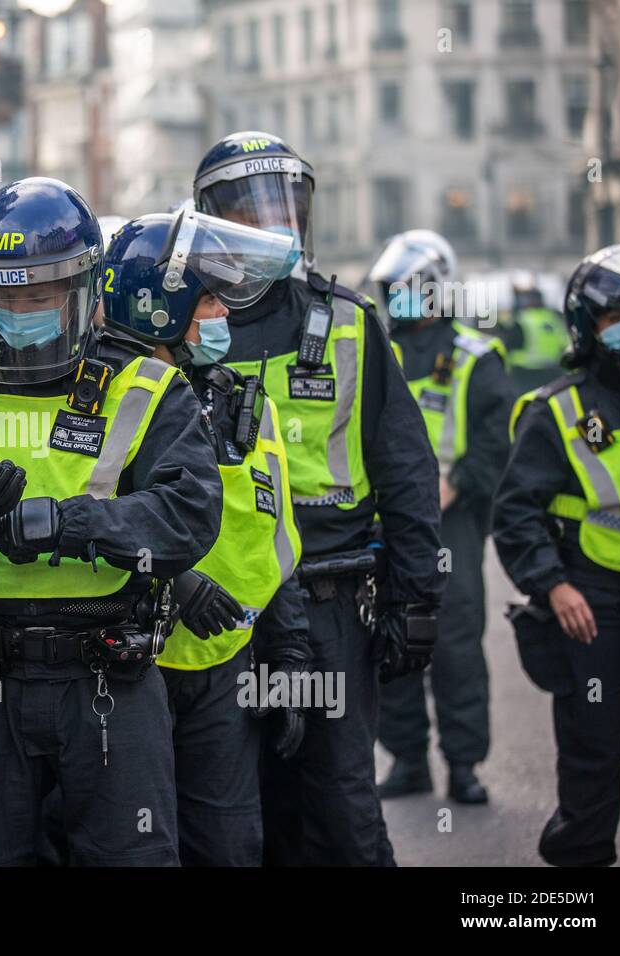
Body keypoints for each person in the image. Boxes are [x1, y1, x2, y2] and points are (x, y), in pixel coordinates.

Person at [0, 177, 223, 866]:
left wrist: (66, 523)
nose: (18, 314)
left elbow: (189, 516)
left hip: (110, 677)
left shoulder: (145, 385)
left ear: (84, 294)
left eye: (36, 297)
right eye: (2, 300)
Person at [193, 131, 443, 866]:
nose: (275, 222)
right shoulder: (183, 327)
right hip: (220, 611)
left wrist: (416, 597)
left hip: (333, 602)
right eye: (248, 208)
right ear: (211, 220)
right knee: (235, 813)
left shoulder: (351, 323)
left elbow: (404, 470)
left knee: (341, 807)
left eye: (287, 203)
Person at [101, 209, 312, 866]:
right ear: (164, 308)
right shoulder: (98, 401)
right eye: (209, 298)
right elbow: (75, 523)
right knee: (136, 848)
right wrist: (173, 578)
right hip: (125, 665)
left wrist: (291, 664)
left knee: (230, 846)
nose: (223, 313)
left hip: (225, 665)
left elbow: (275, 546)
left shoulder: (242, 405)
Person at [494, 244, 620, 867]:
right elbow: (516, 515)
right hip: (591, 597)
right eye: (618, 316)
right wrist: (553, 586)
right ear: (587, 323)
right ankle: (580, 866)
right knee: (595, 740)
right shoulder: (555, 409)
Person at [364, 229, 512, 805]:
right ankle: (407, 761)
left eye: (408, 287)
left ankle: (464, 766)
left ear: (436, 288)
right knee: (392, 637)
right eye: (391, 288)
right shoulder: (380, 351)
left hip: (452, 523)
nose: (398, 297)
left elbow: (497, 443)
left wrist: (454, 485)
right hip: (387, 522)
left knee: (454, 646)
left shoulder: (478, 356)